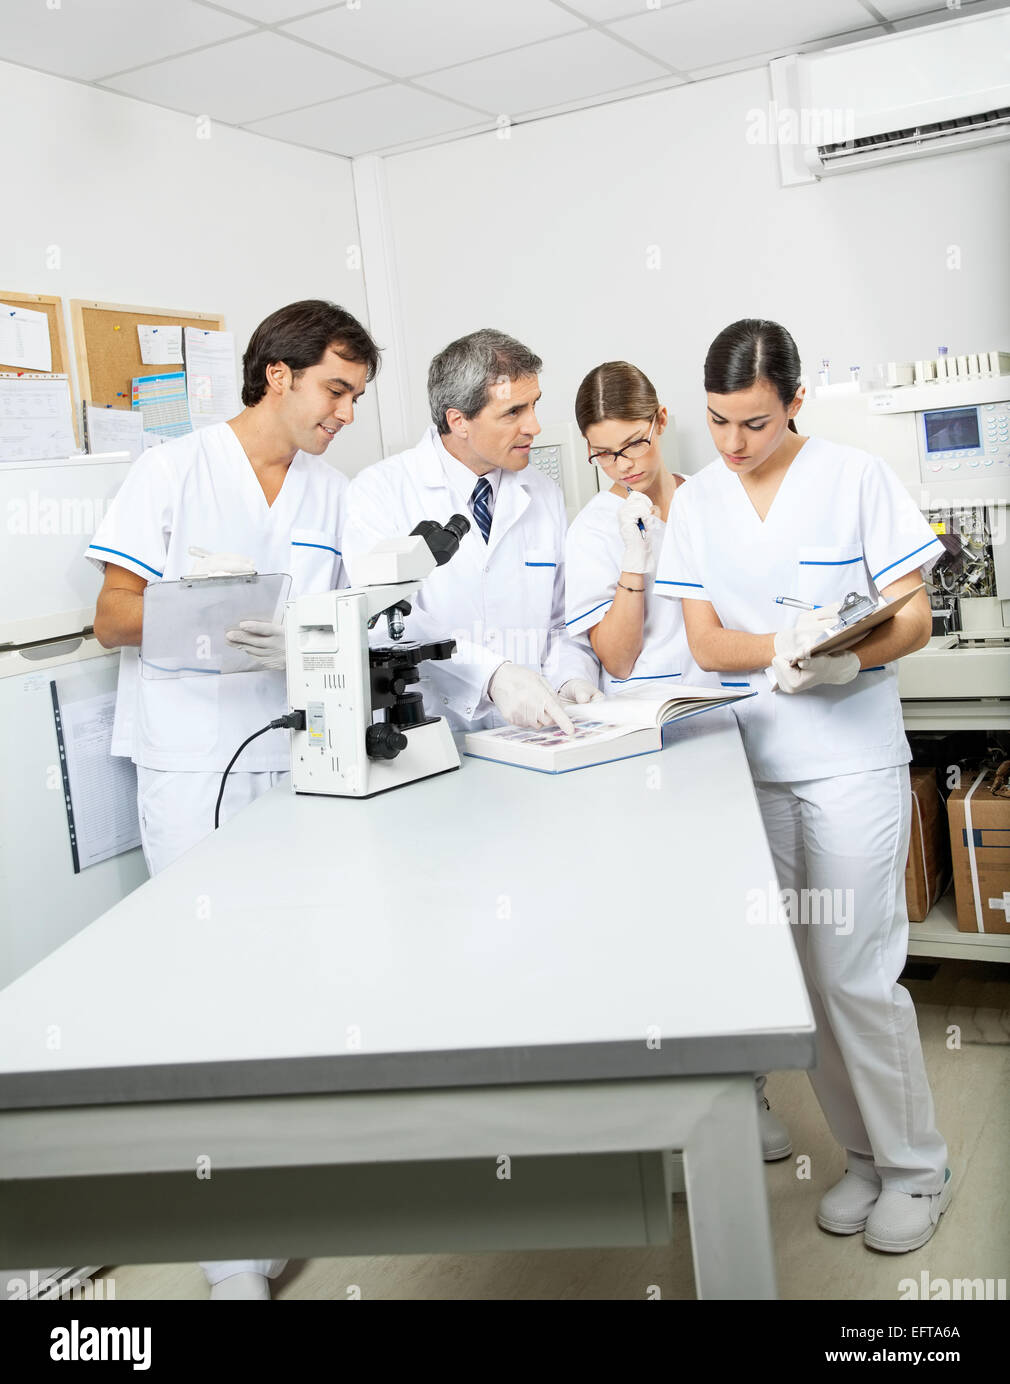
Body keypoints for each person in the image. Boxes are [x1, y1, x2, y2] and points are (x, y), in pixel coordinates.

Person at [87, 299, 381, 1298]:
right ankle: (228, 1259)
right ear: (277, 374)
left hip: (294, 755)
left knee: (292, 983)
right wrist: (214, 626)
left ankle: (284, 1203)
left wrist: (318, 637)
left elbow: (349, 612)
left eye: (355, 396)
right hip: (190, 763)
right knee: (209, 998)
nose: (344, 411)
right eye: (335, 389)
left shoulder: (331, 492)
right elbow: (110, 615)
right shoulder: (172, 471)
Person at [655, 318, 951, 1252]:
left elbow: (914, 618)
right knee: (806, 980)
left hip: (851, 760)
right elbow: (704, 642)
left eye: (755, 423)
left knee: (857, 972)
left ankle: (919, 1167)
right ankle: (864, 1160)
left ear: (794, 402)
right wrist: (783, 648)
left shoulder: (855, 478)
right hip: (755, 763)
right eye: (717, 423)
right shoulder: (699, 500)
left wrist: (846, 663)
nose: (734, 445)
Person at [566, 359, 791, 1163]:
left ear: (660, 420)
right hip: (645, 742)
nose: (624, 466)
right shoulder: (593, 529)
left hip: (734, 725)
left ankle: (748, 1089)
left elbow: (750, 617)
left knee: (745, 926)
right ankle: (676, 1108)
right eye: (604, 454)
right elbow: (619, 661)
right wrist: (636, 565)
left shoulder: (717, 498)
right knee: (668, 927)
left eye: (633, 444)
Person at [342, 329, 601, 732]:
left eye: (534, 406)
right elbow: (387, 621)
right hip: (433, 734)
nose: (534, 425)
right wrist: (493, 676)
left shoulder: (543, 494)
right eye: (513, 412)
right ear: (458, 420)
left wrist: (571, 676)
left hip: (536, 735)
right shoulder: (379, 493)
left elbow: (562, 620)